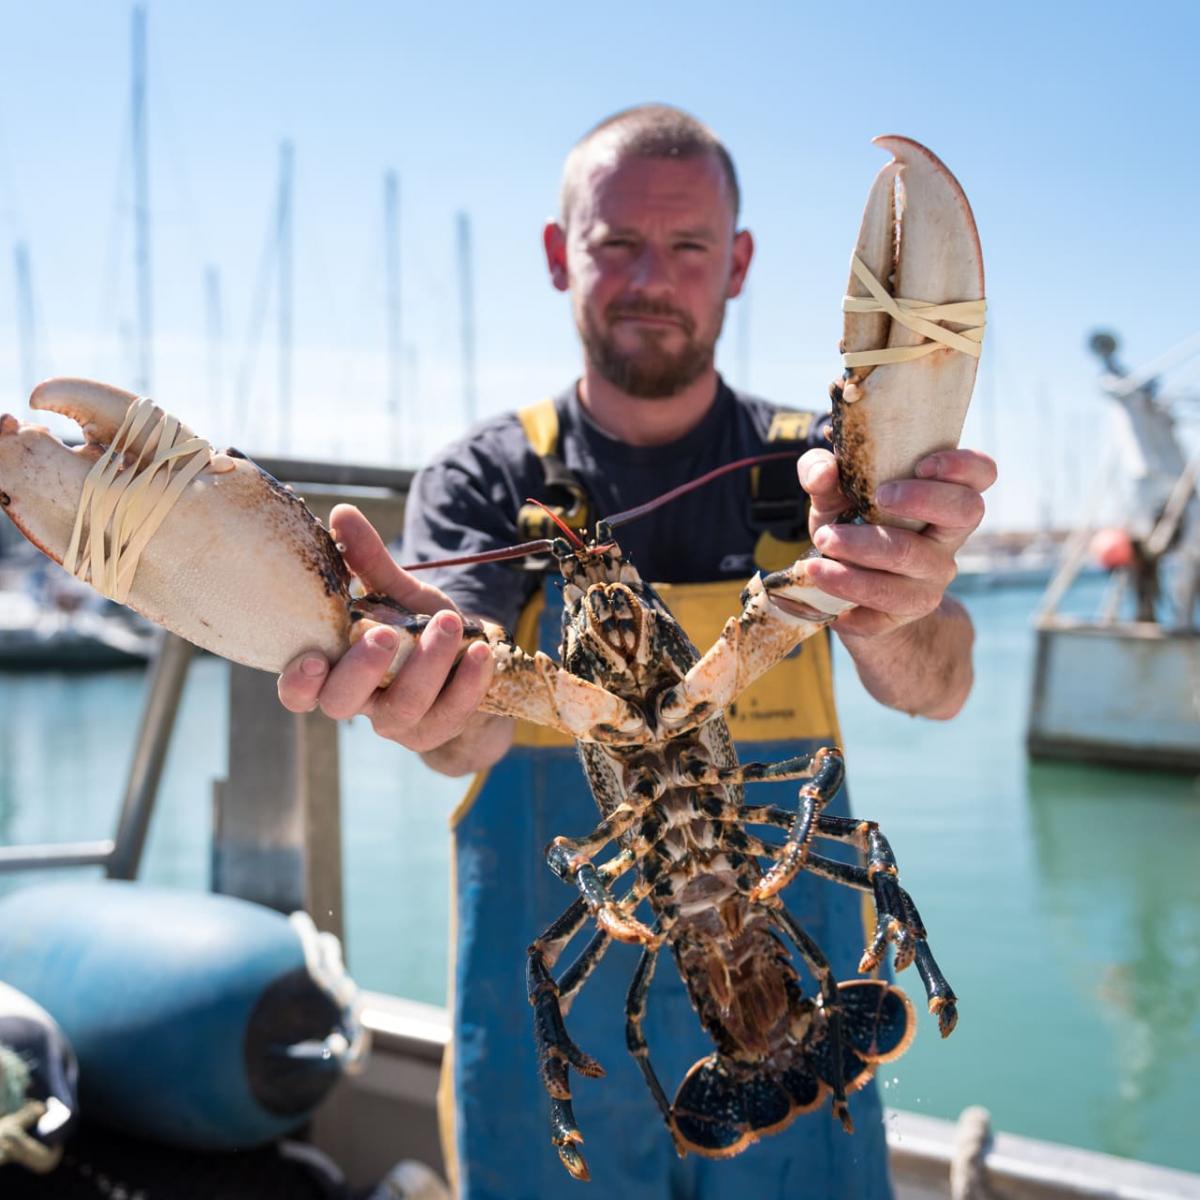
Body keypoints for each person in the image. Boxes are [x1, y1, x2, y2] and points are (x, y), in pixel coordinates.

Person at [279, 105, 995, 1199]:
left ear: (738, 264)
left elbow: (941, 687)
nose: (652, 278)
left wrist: (897, 604)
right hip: (572, 1051)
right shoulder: (486, 481)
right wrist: (430, 696)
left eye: (689, 245)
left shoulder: (821, 474)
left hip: (801, 980)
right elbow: (461, 714)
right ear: (564, 254)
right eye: (617, 244)